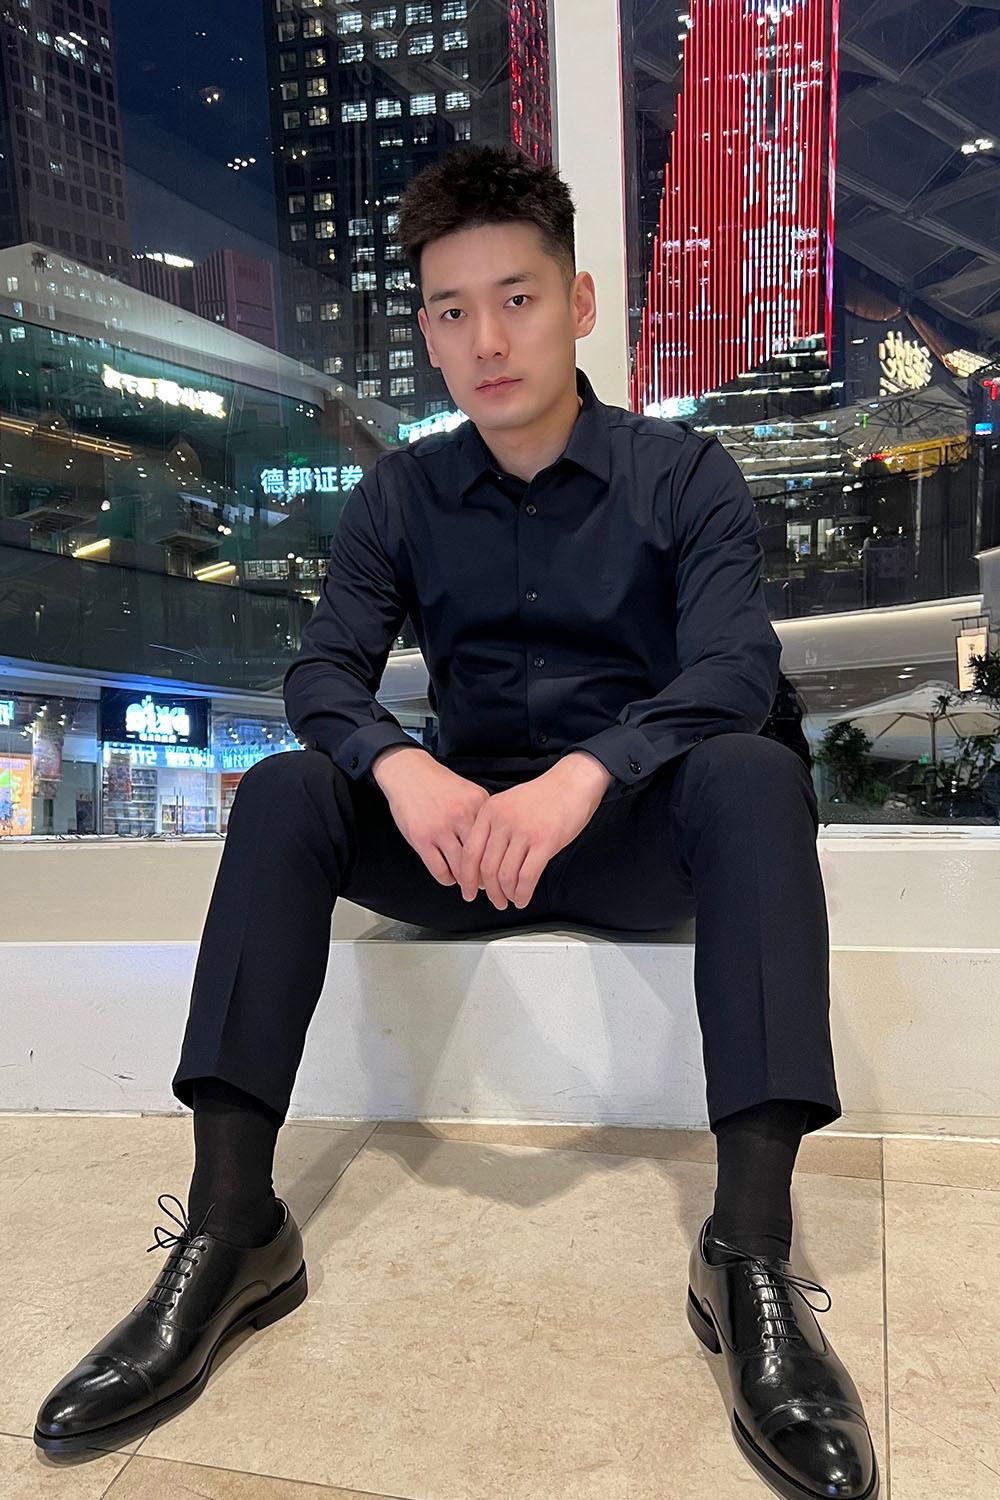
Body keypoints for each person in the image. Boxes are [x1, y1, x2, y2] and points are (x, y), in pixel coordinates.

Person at [35, 145, 879, 1499]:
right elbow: (322, 673)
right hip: (466, 844)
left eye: (517, 299)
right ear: (425, 331)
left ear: (579, 303)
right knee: (290, 785)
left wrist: (590, 771)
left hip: (632, 838)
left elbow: (734, 667)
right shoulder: (402, 496)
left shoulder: (683, 476)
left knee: (754, 772)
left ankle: (750, 1254)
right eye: (451, 310)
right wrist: (400, 767)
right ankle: (234, 1224)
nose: (486, 339)